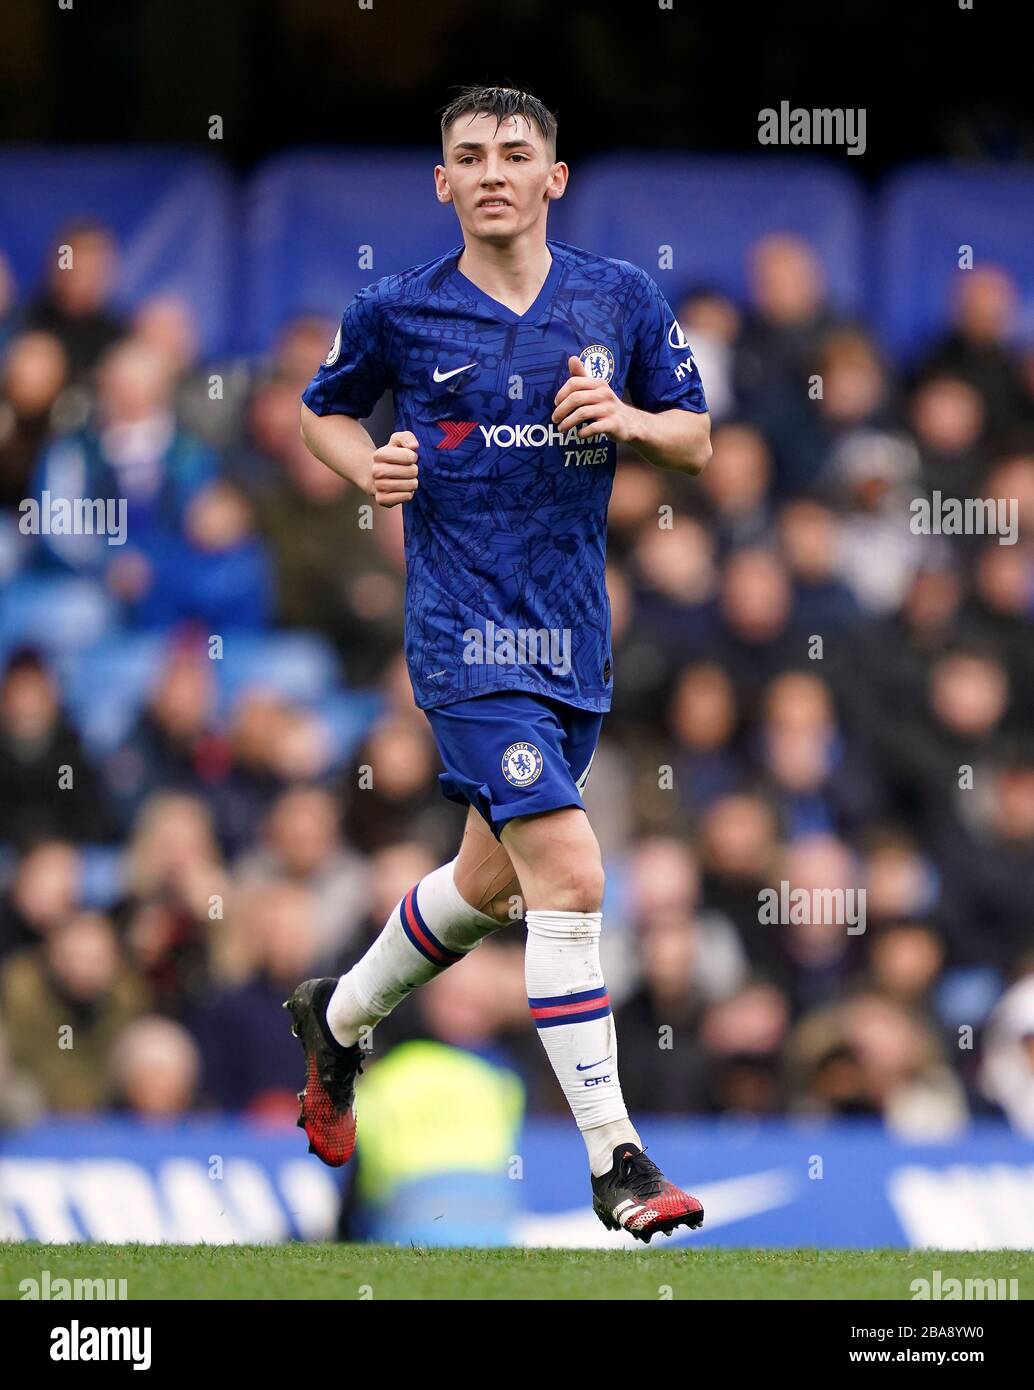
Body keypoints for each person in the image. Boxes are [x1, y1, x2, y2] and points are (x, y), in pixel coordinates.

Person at [289, 85, 712, 1243]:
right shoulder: (398, 311)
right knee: (569, 874)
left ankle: (336, 1018)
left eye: (512, 154)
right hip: (462, 638)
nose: (489, 171)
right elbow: (317, 413)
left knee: (484, 888)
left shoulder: (615, 299)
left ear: (550, 177)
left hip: (571, 642)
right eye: (467, 156)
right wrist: (360, 465)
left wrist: (624, 418)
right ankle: (614, 1159)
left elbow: (697, 437)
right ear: (442, 183)